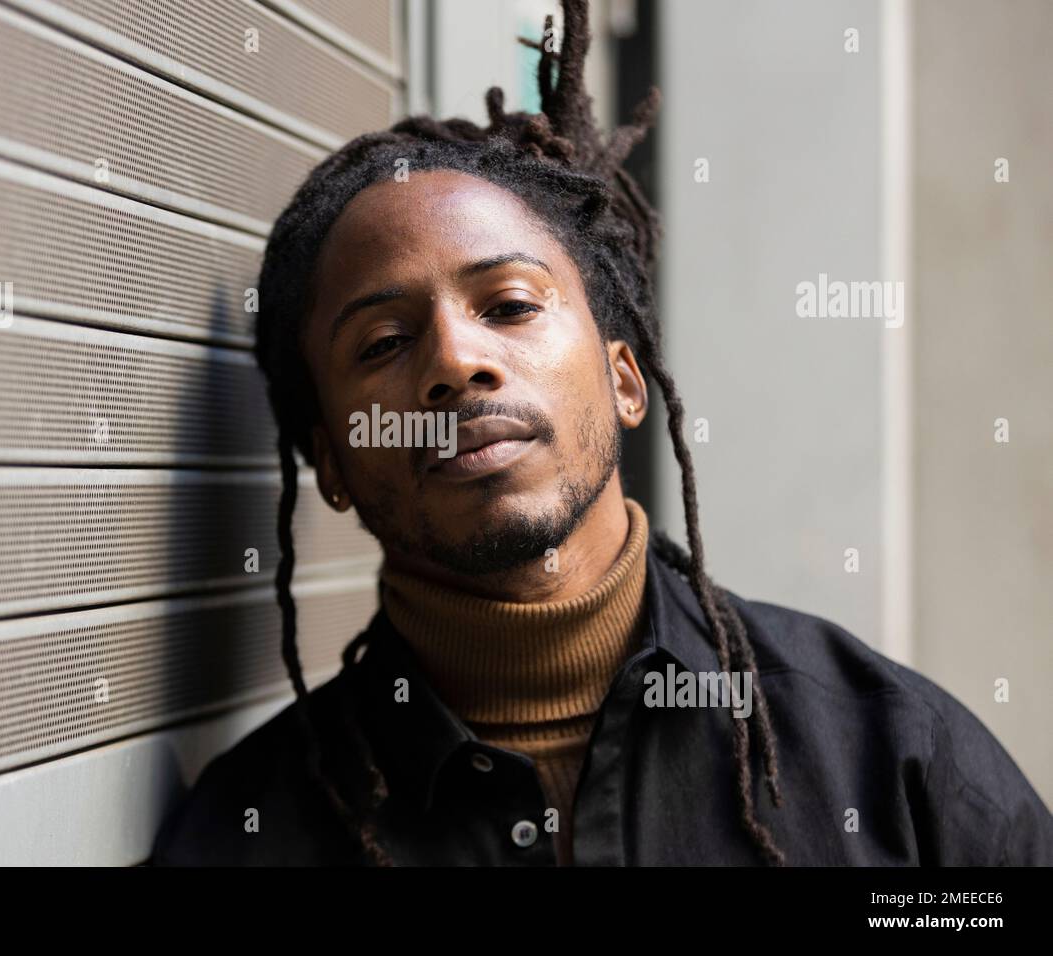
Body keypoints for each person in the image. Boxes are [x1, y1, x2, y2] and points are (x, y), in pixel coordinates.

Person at [153, 0, 1053, 866]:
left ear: (627, 382)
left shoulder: (892, 762)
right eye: (384, 341)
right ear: (333, 462)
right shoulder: (250, 833)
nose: (456, 363)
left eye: (508, 304)